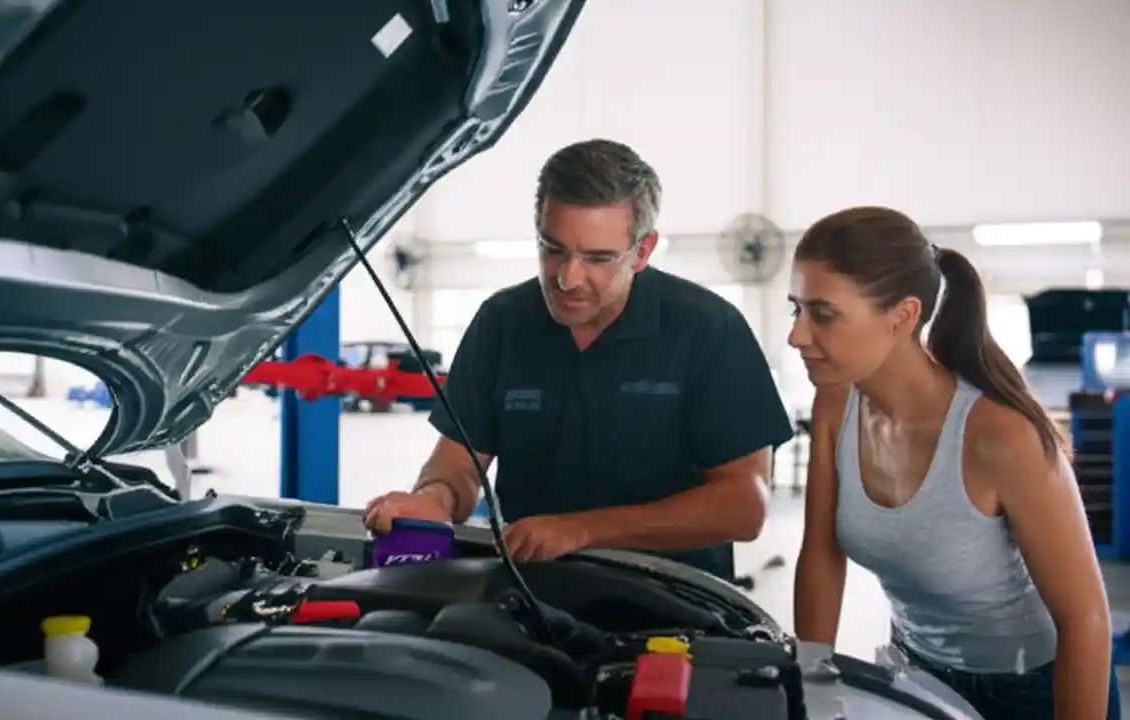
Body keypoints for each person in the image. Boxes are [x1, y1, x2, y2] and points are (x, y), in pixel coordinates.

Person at [364, 138, 794, 581]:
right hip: (528, 593)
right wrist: (433, 501)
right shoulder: (501, 323)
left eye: (597, 258)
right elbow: (456, 465)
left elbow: (744, 506)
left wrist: (583, 530)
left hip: (676, 603)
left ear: (643, 251)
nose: (568, 279)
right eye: (554, 250)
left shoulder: (708, 329)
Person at [788, 206, 1118, 719]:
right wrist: (809, 686)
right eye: (796, 310)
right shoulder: (835, 404)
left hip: (1036, 688)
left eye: (822, 314)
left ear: (902, 315)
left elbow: (1087, 620)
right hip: (917, 673)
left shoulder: (1001, 437)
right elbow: (822, 556)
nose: (798, 336)